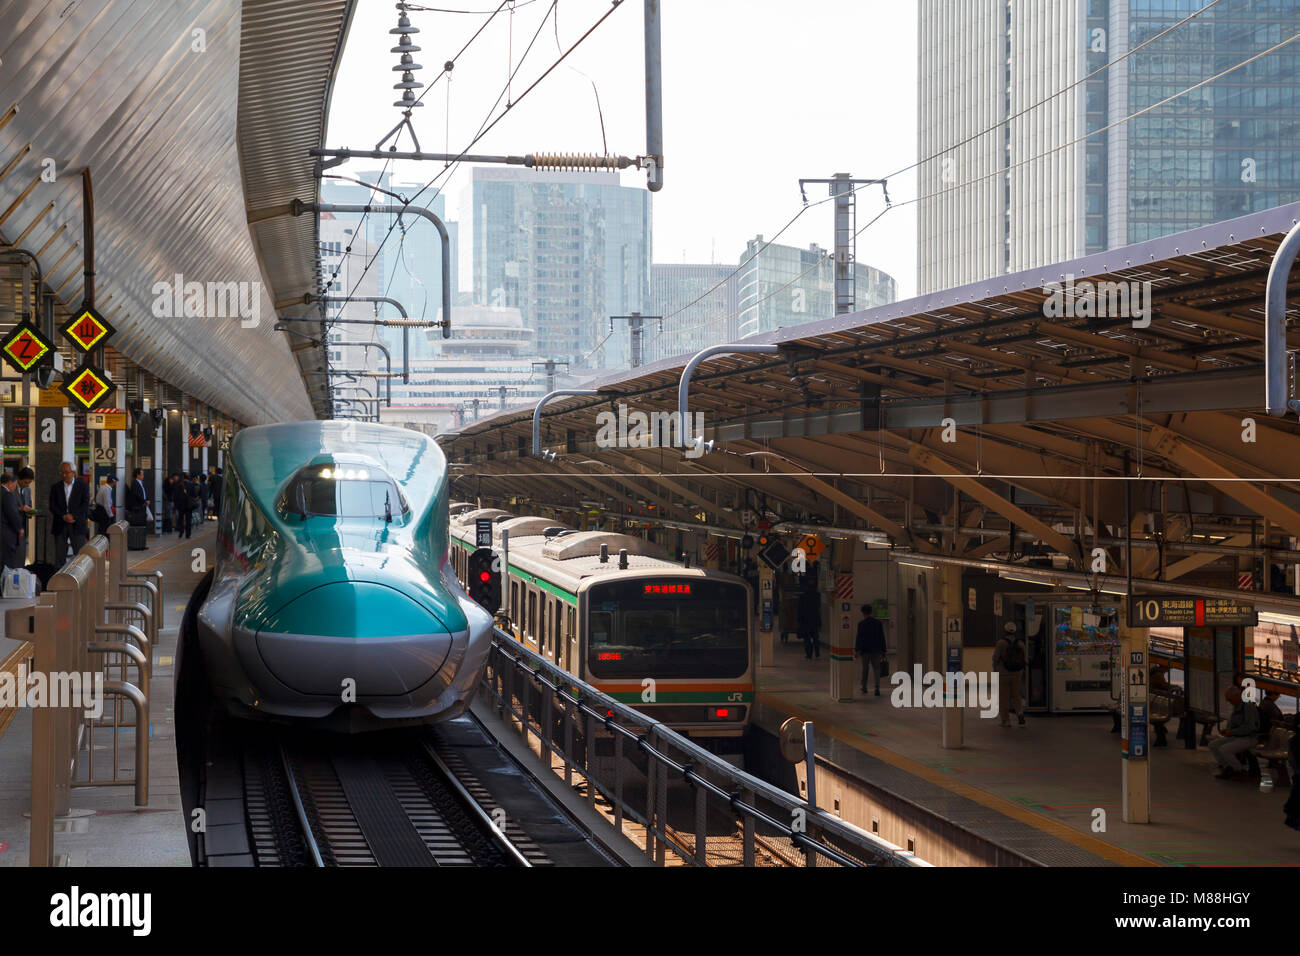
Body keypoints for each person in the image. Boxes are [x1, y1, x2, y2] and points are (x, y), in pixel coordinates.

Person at [1209, 685, 1261, 779]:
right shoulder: (1237, 706)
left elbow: (1250, 727)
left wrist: (1233, 732)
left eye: (1230, 700)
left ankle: (1238, 770)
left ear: (1238, 696)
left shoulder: (1248, 707)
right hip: (1237, 737)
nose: (1230, 702)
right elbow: (1234, 723)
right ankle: (1227, 767)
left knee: (1224, 749)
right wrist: (1228, 730)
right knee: (1213, 745)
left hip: (1249, 738)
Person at [48, 461, 89, 559]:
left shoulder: (82, 486)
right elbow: (52, 506)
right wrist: (63, 516)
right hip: (60, 524)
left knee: (79, 555)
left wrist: (73, 516)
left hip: (77, 523)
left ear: (73, 472)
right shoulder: (55, 487)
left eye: (67, 472)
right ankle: (60, 573)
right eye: (62, 472)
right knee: (59, 555)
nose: (64, 475)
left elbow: (85, 504)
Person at [992, 620, 1027, 727]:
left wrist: (995, 670)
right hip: (1016, 674)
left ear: (1005, 631)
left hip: (1003, 674)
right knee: (1016, 695)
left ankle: (1005, 720)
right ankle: (1020, 713)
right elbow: (1024, 659)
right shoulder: (1020, 643)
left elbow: (995, 658)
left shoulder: (1001, 643)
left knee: (1004, 697)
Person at [855, 603, 887, 696]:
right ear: (871, 612)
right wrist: (883, 650)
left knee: (865, 668)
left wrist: (857, 650)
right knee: (877, 668)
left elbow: (859, 638)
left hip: (865, 651)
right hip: (876, 650)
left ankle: (864, 686)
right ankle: (877, 687)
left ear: (863, 612)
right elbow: (882, 637)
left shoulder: (861, 624)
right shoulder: (878, 623)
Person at [0, 473, 25, 570]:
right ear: (10, 483)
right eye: (15, 484)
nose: (15, 487)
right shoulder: (7, 494)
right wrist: (19, 528)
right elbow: (12, 513)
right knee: (7, 563)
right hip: (6, 534)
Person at [796, 582, 822, 660]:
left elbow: (799, 609)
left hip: (805, 621)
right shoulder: (817, 596)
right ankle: (817, 652)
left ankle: (809, 653)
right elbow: (818, 609)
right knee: (815, 637)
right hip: (814, 620)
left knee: (807, 638)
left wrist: (799, 620)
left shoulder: (802, 597)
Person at [171, 472, 193, 539]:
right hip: (189, 505)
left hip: (181, 505)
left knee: (181, 519)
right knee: (188, 520)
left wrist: (176, 504)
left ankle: (181, 532)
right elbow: (195, 494)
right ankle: (188, 534)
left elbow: (175, 496)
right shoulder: (191, 484)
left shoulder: (179, 484)